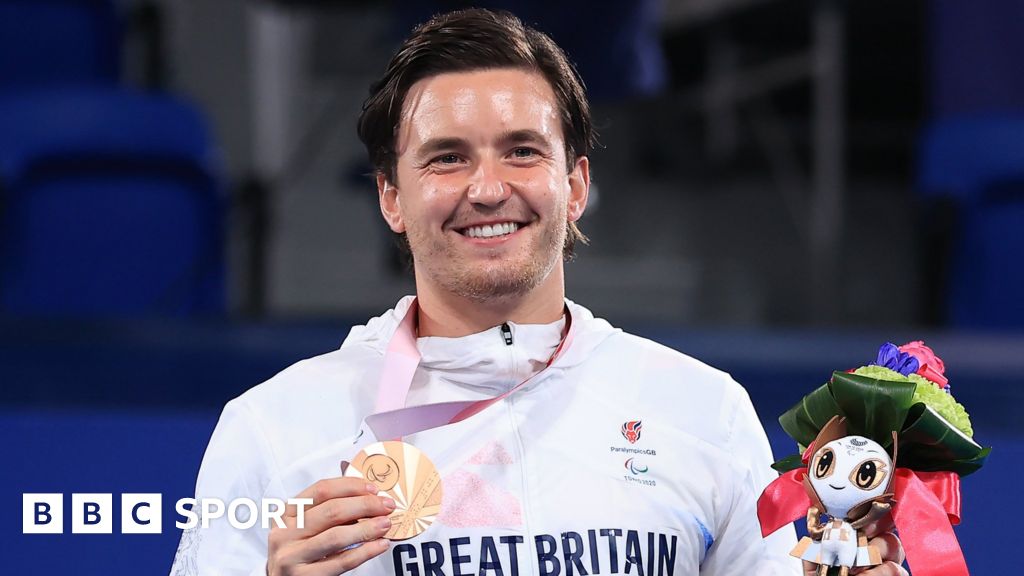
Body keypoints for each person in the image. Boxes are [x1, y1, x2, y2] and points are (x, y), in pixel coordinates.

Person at [171, 8, 905, 576]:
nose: (489, 189)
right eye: (447, 158)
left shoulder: (702, 411)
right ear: (391, 198)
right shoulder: (277, 430)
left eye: (522, 151)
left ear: (576, 184)